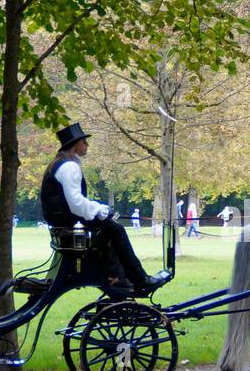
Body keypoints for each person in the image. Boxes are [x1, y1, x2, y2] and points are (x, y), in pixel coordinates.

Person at [40, 122, 168, 296]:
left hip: (61, 223)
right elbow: (76, 203)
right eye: (84, 141)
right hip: (68, 223)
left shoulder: (58, 164)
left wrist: (99, 210)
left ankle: (121, 277)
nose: (87, 145)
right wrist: (100, 209)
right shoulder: (69, 167)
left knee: (111, 228)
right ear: (75, 145)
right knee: (116, 230)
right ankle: (138, 279)